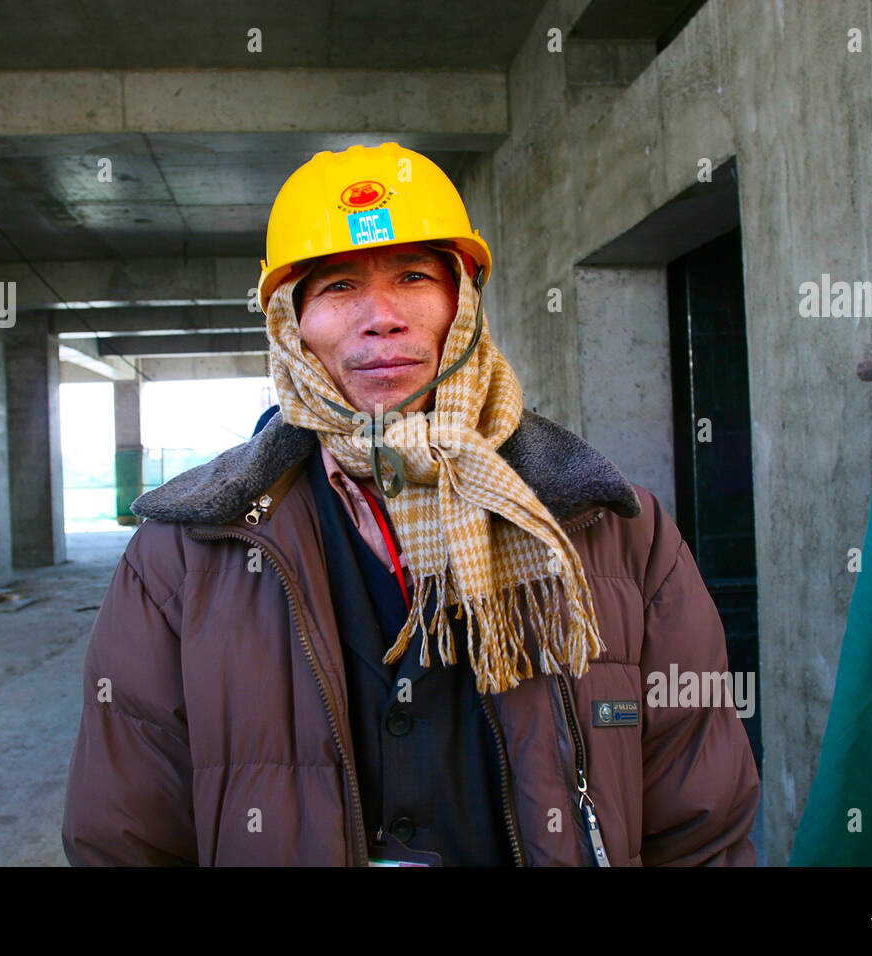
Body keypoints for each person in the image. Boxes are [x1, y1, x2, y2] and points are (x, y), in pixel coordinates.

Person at [62, 143, 759, 866]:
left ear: (463, 301)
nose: (382, 318)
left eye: (415, 276)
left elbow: (701, 825)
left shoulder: (611, 529)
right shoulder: (187, 549)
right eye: (337, 287)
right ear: (290, 323)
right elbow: (125, 834)